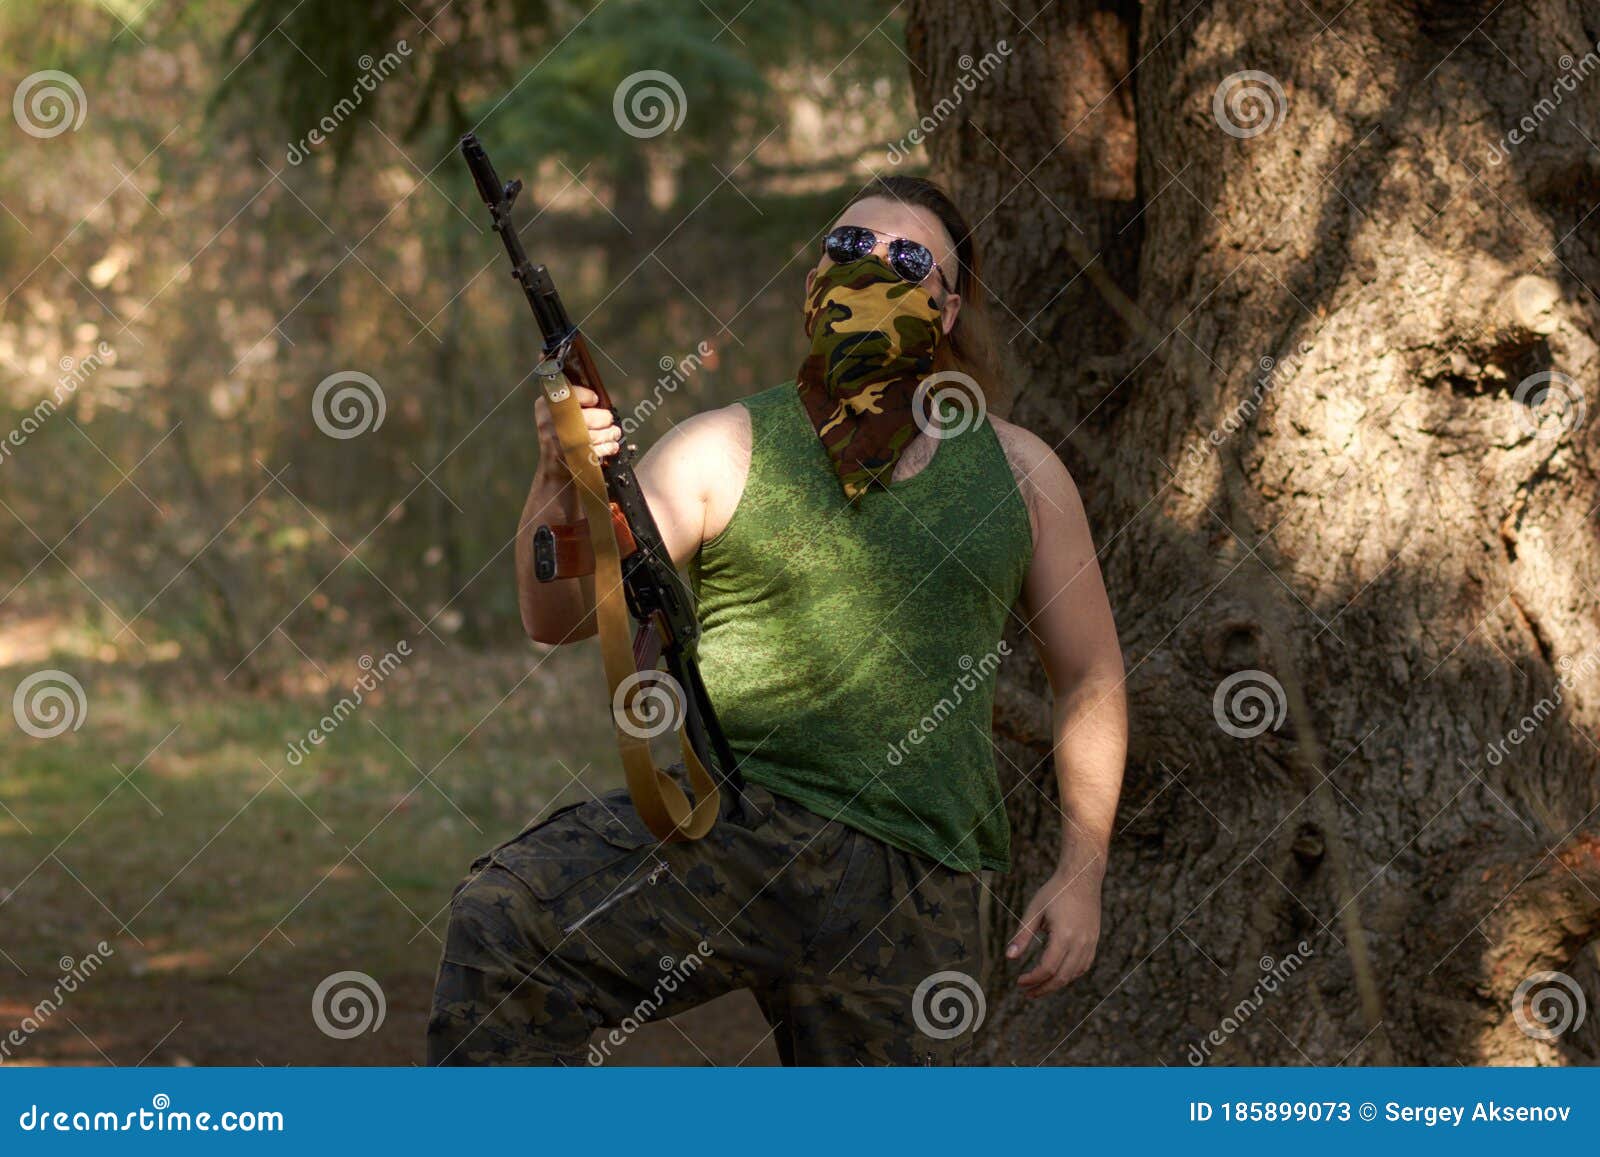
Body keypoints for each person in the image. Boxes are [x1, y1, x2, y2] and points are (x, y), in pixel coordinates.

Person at [426, 174, 1127, 1065]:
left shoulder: (1023, 474)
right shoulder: (726, 446)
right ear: (811, 288)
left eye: (907, 259)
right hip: (732, 835)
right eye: (845, 250)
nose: (868, 269)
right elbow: (558, 615)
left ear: (947, 312)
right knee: (506, 919)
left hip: (916, 867)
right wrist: (558, 474)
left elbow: (1091, 674)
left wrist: (1082, 870)